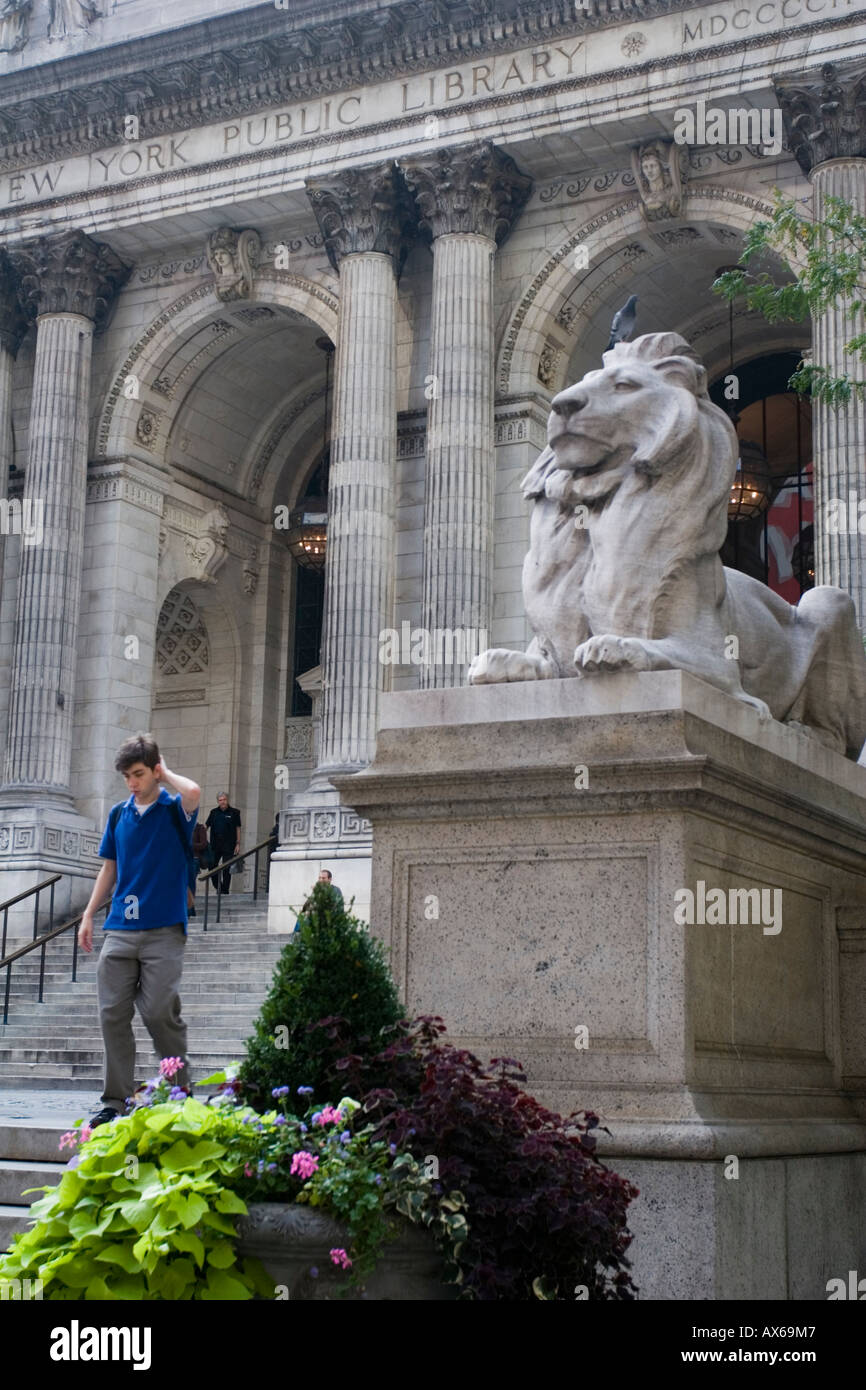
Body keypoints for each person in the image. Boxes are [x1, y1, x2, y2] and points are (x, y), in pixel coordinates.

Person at [78, 733, 201, 1130]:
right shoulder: (119, 814)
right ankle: (116, 1099)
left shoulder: (173, 808)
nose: (132, 782)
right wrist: (88, 914)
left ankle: (179, 1094)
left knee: (159, 1010)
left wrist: (166, 776)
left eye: (139, 774)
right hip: (119, 928)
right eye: (127, 776)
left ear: (154, 770)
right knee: (112, 1013)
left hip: (164, 929)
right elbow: (109, 868)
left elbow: (195, 790)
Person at [205, 792, 241, 894]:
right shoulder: (213, 812)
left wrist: (238, 843)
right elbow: (206, 826)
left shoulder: (235, 812)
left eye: (224, 799)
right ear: (218, 801)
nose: (222, 802)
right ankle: (219, 887)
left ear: (227, 800)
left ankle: (225, 891)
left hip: (229, 845)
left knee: (226, 868)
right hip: (215, 845)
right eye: (220, 800)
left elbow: (238, 828)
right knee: (212, 866)